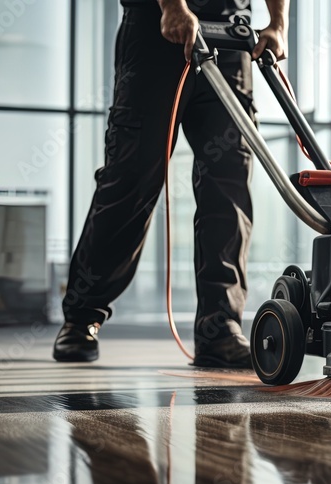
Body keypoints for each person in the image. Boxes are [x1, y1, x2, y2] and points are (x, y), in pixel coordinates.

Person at [53, 0, 288, 367]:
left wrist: (278, 22)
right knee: (131, 181)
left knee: (229, 185)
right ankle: (82, 316)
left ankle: (220, 328)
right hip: (158, 29)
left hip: (229, 34)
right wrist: (174, 7)